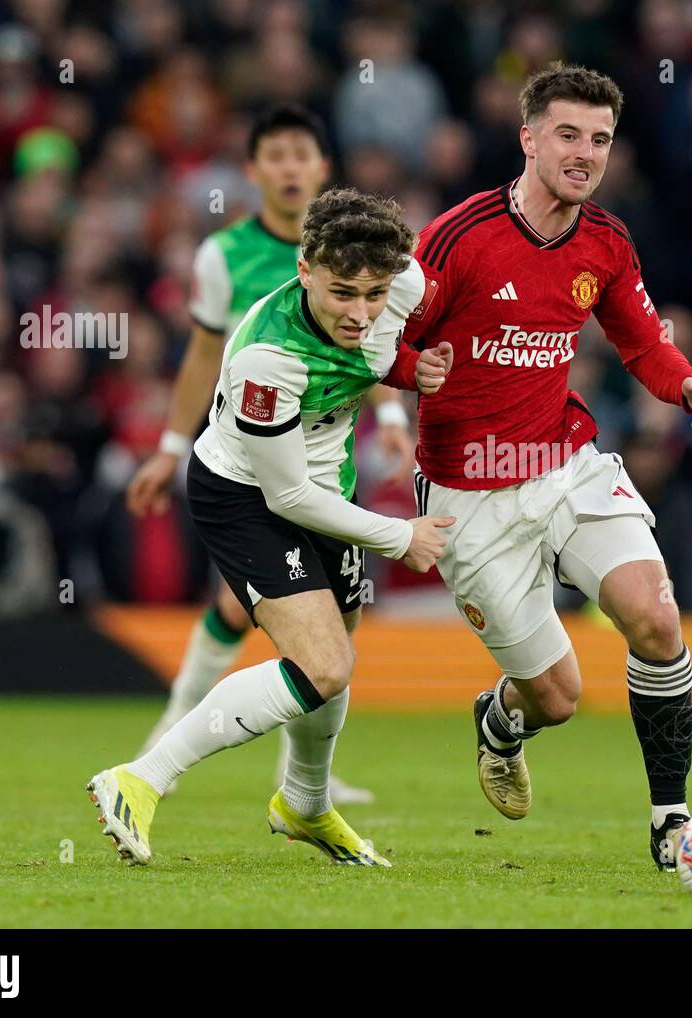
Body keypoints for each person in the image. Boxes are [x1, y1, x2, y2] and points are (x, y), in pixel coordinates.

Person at [384, 64, 692, 869]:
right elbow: (381, 334)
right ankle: (502, 721)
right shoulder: (459, 237)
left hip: (564, 462)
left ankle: (671, 820)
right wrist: (408, 373)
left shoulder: (605, 241)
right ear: (528, 137)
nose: (585, 153)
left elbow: (641, 339)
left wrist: (688, 385)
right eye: (568, 135)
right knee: (558, 699)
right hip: (468, 495)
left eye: (600, 139)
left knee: (656, 616)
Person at [88, 188, 454, 866]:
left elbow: (372, 354)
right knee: (323, 664)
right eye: (343, 293)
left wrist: (411, 370)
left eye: (374, 295)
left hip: (327, 491)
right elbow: (286, 496)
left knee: (334, 665)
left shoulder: (401, 282)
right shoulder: (267, 359)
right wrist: (401, 536)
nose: (361, 311)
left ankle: (305, 806)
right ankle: (139, 778)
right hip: (247, 497)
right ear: (306, 269)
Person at [127, 105, 413, 805]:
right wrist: (170, 445)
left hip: (322, 465)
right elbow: (202, 357)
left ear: (321, 168)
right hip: (251, 464)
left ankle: (305, 784)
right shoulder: (224, 259)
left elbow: (365, 351)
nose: (289, 168)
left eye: (301, 155)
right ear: (254, 172)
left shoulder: (376, 266)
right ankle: (160, 750)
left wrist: (393, 410)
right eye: (274, 156)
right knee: (249, 612)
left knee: (333, 638)